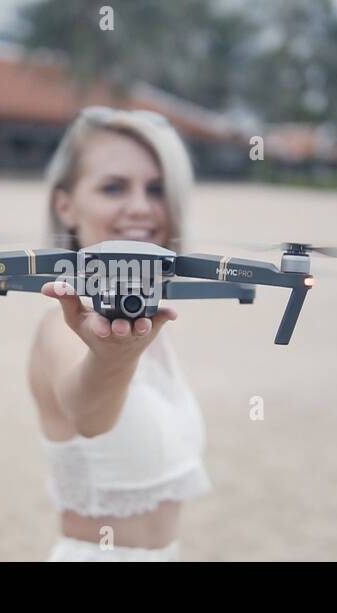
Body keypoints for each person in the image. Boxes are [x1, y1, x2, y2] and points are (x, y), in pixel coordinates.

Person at [29, 106, 212, 562]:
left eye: (157, 189)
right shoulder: (63, 328)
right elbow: (89, 414)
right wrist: (112, 358)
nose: (141, 208)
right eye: (113, 187)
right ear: (66, 206)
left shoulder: (147, 326)